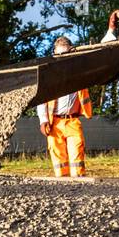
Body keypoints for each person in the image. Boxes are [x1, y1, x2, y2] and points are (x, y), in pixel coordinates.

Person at [37, 36, 92, 178]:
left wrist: (110, 29)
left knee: (77, 154)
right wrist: (43, 120)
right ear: (54, 53)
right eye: (59, 54)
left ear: (71, 52)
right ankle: (61, 183)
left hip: (73, 121)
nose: (62, 57)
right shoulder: (49, 76)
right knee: (58, 156)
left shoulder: (80, 73)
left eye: (65, 54)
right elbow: (41, 100)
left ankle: (78, 182)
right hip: (54, 122)